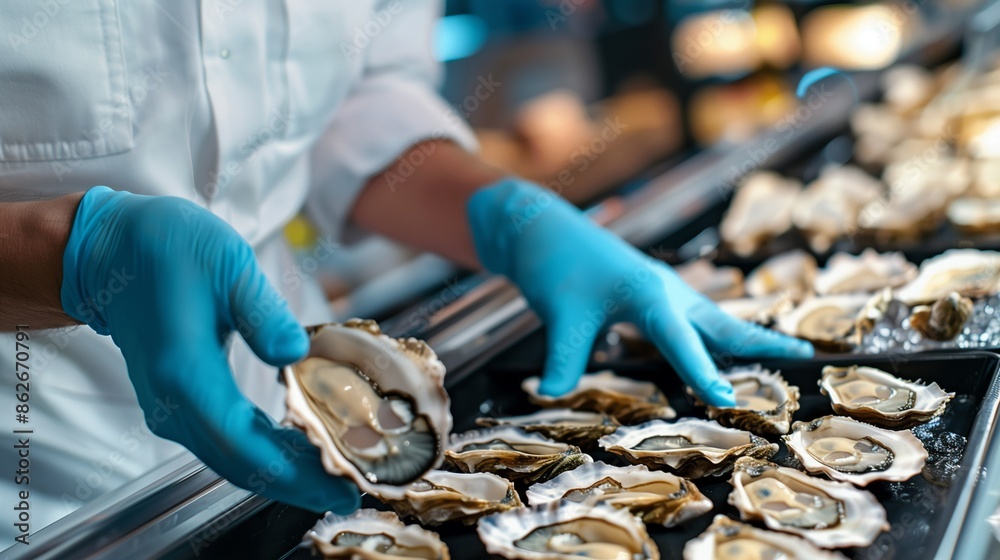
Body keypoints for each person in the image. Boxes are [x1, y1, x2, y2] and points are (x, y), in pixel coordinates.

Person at [0, 0, 813, 543]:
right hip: (33, 471)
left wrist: (510, 217)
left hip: (299, 410)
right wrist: (71, 254)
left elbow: (353, 98)